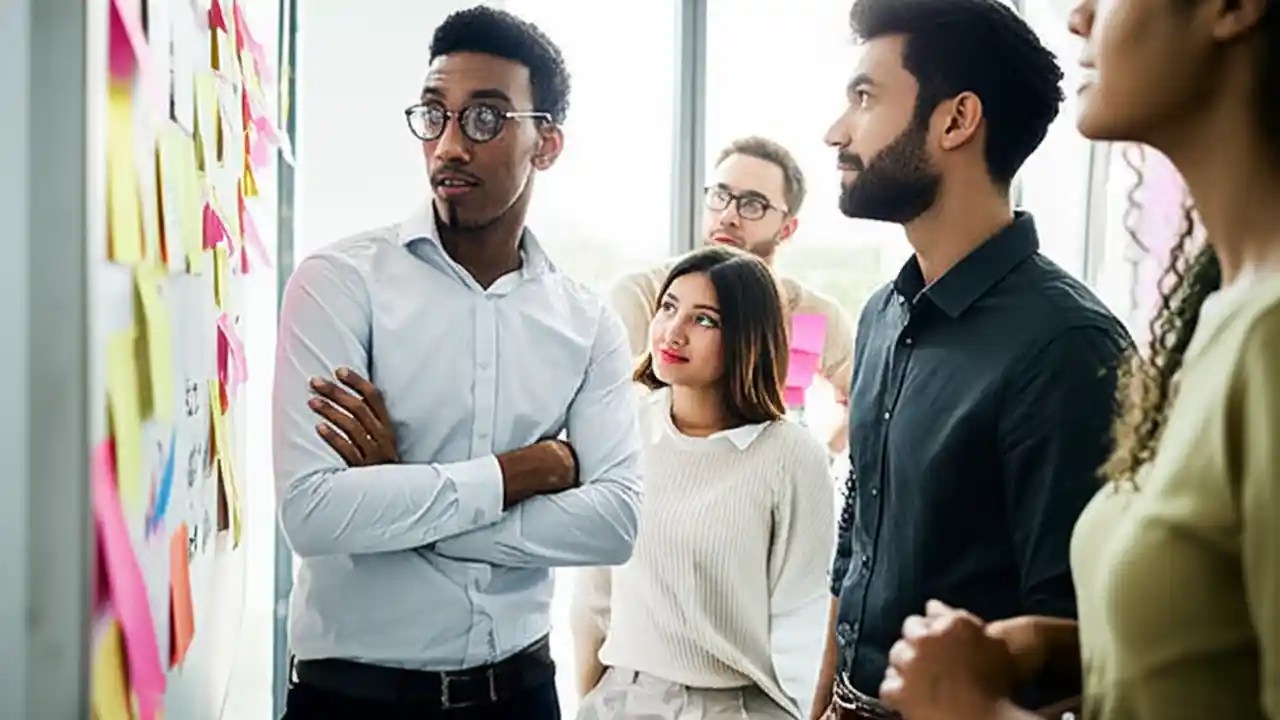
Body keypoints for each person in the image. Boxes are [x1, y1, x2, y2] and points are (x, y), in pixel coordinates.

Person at [875, 0, 1280, 718]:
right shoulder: (1217, 311)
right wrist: (1057, 643)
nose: (1079, 16)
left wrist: (977, 712)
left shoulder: (1266, 337)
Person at [271, 7, 643, 719]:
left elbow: (614, 523)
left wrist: (401, 500)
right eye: (434, 115)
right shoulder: (339, 283)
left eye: (484, 119)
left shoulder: (584, 321)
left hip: (522, 695)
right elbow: (314, 514)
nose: (448, 145)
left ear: (548, 143)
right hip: (353, 699)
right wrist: (518, 474)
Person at [813, 0, 1134, 717]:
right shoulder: (880, 314)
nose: (836, 131)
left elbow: (1085, 642)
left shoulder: (1068, 348)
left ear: (956, 120)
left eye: (865, 97)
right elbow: (856, 538)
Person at [571, 246, 836, 719]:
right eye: (669, 307)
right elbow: (594, 600)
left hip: (738, 706)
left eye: (704, 320)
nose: (673, 332)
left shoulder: (792, 456)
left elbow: (804, 620)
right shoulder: (624, 430)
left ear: (746, 337)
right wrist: (589, 701)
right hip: (620, 700)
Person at [609, 137, 856, 451]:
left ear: (786, 229)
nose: (728, 215)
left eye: (753, 204)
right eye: (720, 195)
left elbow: (865, 404)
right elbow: (609, 407)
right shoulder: (643, 294)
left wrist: (825, 457)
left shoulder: (811, 314)